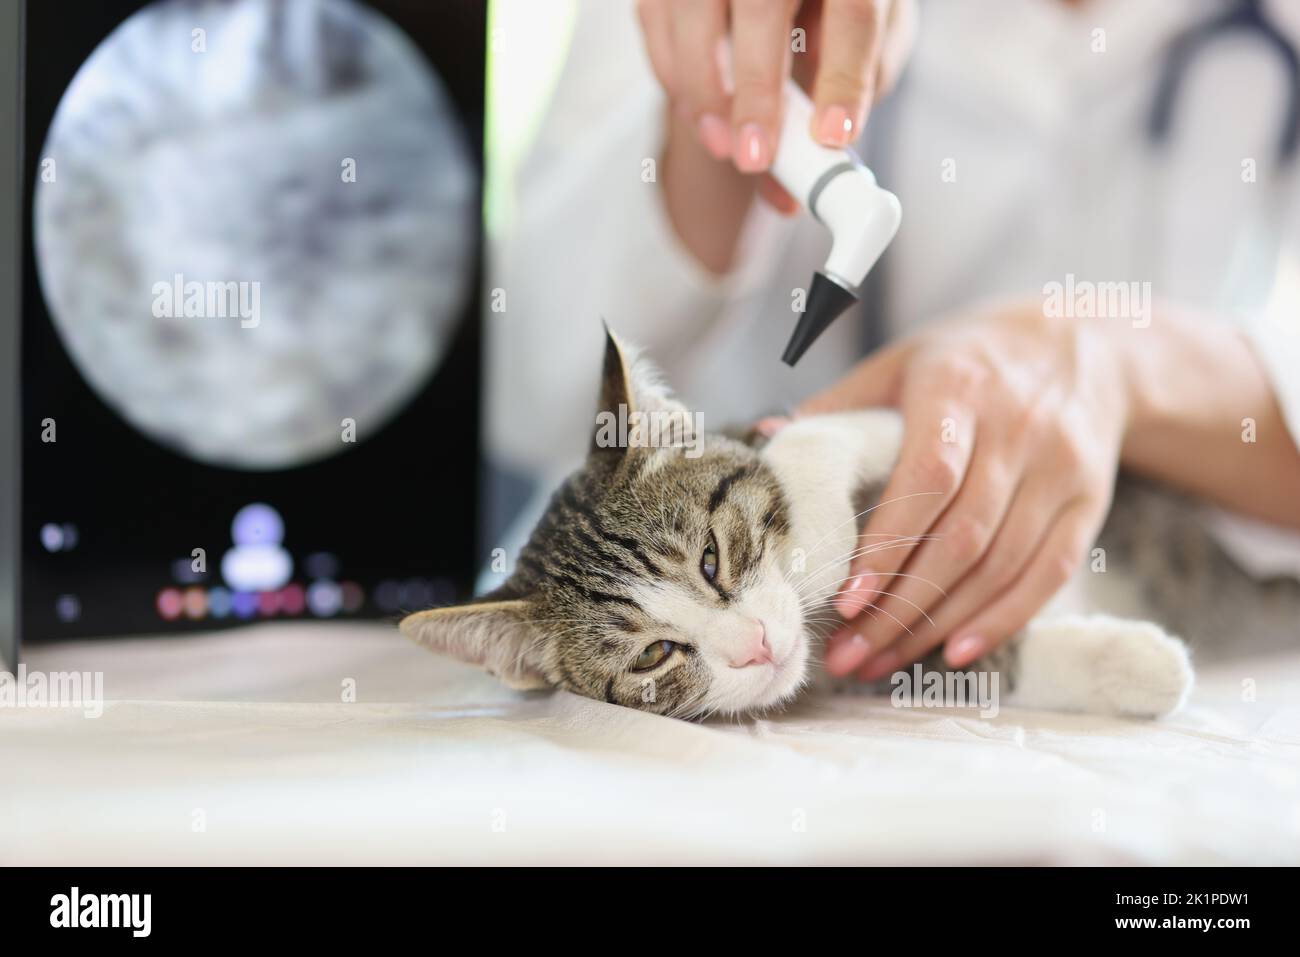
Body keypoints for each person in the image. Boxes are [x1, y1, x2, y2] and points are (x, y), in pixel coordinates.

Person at [488, 0, 1300, 678]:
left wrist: (1112, 359)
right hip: (730, 719)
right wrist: (723, 115)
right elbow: (527, 397)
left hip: (1166, 632)